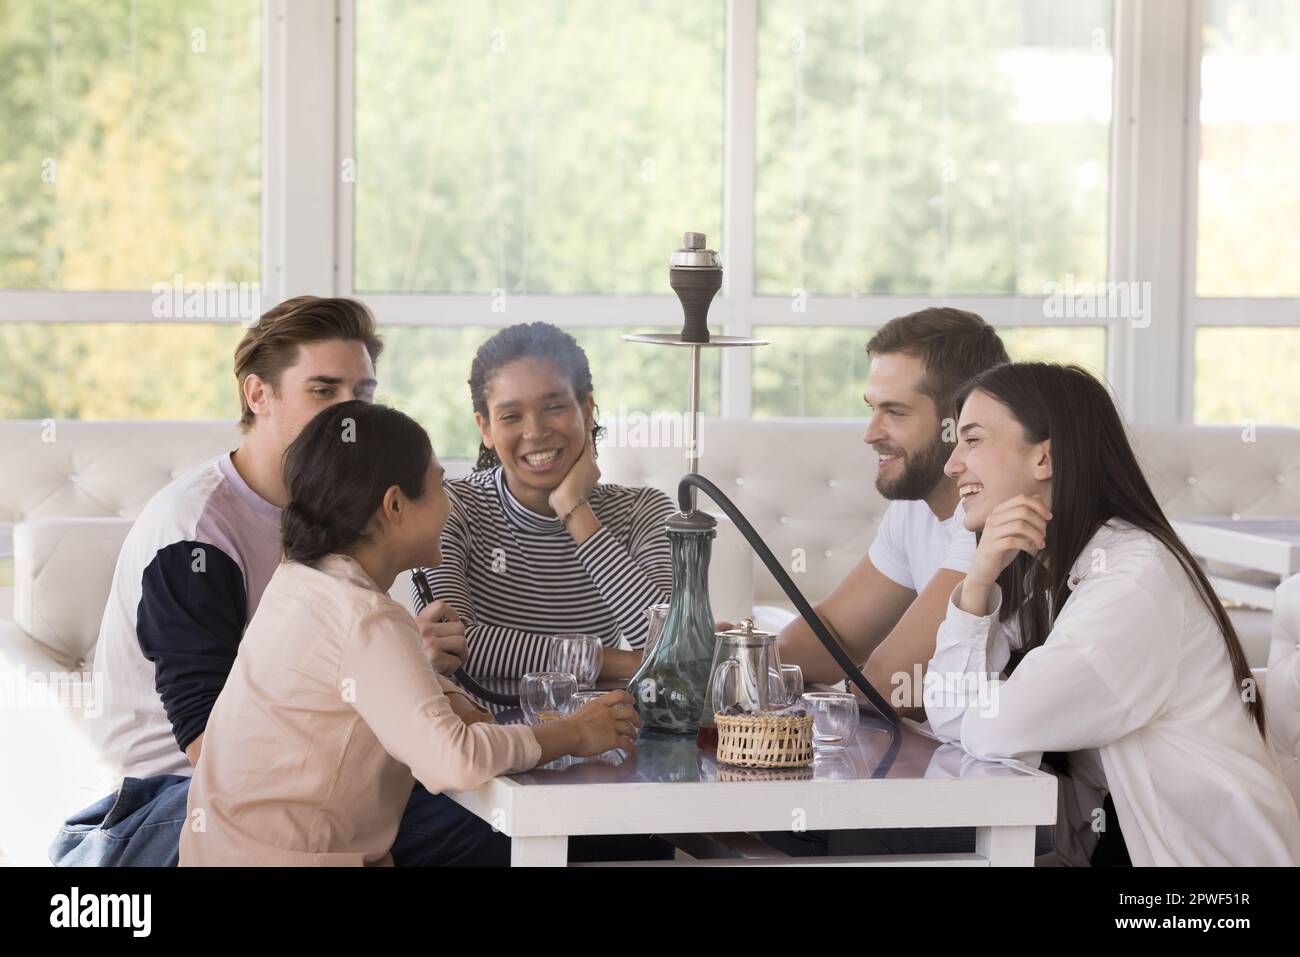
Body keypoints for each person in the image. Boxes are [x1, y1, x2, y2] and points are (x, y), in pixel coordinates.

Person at [51, 297, 497, 866]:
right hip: (171, 809)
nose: (349, 417)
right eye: (323, 390)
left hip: (279, 791)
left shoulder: (336, 515)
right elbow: (215, 748)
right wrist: (393, 672)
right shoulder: (197, 535)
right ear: (257, 394)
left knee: (485, 804)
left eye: (360, 395)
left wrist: (398, 664)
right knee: (476, 819)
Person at [180, 401, 640, 865]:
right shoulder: (366, 617)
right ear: (395, 505)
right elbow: (453, 760)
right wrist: (576, 734)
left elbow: (369, 679)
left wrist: (443, 692)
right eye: (440, 486)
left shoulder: (302, 580)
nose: (449, 503)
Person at [927, 362, 1300, 866]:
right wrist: (976, 584)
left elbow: (993, 730)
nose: (952, 465)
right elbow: (952, 717)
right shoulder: (1051, 575)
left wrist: (981, 590)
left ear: (1046, 456)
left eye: (972, 440)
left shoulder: (1133, 583)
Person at [413, 322, 676, 684]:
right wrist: (629, 663)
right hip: (485, 734)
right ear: (485, 428)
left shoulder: (642, 511)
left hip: (604, 730)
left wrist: (573, 507)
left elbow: (671, 644)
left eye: (553, 407)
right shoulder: (450, 508)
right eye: (511, 416)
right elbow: (454, 643)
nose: (535, 431)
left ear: (587, 410)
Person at [776, 308, 1008, 717]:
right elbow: (835, 635)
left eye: (896, 412)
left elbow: (889, 685)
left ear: (961, 421)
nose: (871, 434)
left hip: (1017, 771)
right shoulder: (915, 504)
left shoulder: (995, 513)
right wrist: (740, 660)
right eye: (872, 408)